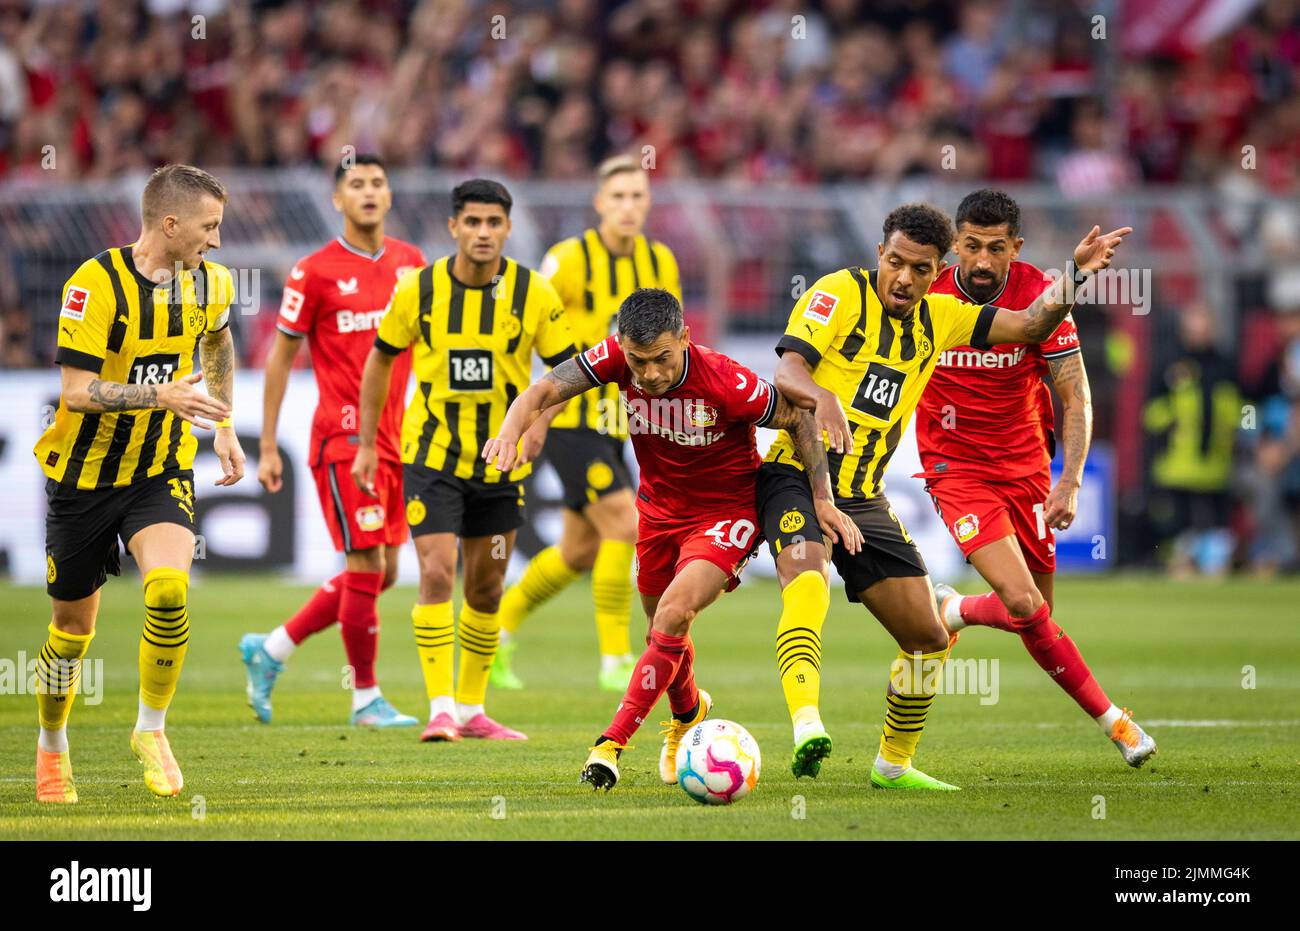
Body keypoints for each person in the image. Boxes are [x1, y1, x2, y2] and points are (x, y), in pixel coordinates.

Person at [757, 203, 1131, 789]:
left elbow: (1033, 324)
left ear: (938, 272)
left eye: (921, 269)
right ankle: (808, 725)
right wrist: (819, 397)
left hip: (863, 494)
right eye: (897, 263)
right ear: (880, 254)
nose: (905, 278)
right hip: (796, 475)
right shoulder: (835, 294)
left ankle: (893, 764)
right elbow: (786, 371)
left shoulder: (945, 317)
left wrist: (1075, 273)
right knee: (809, 583)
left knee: (929, 638)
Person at [484, 287, 861, 790]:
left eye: (662, 358)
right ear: (623, 346)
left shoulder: (728, 382)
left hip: (725, 515)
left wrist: (821, 498)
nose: (651, 374)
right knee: (662, 634)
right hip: (658, 515)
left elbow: (797, 417)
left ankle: (609, 745)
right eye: (639, 362)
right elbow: (542, 391)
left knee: (673, 613)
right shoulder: (618, 358)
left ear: (685, 337)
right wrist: (510, 432)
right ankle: (688, 714)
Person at [920, 189, 1156, 768]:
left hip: (1027, 469)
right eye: (970, 246)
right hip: (956, 470)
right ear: (956, 244)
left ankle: (955, 610)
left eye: (994, 248)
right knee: (1025, 602)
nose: (980, 260)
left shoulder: (1040, 298)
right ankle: (1118, 724)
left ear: (1014, 248)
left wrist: (1069, 479)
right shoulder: (927, 295)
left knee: (1034, 614)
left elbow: (1074, 395)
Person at [33, 163, 245, 801]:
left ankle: (151, 728)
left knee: (170, 590)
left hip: (161, 468)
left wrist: (225, 423)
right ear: (170, 224)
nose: (215, 241)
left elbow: (218, 342)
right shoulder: (94, 286)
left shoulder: (211, 283)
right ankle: (50, 746)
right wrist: (160, 395)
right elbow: (76, 391)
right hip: (84, 476)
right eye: (208, 227)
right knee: (71, 629)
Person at [352, 179, 577, 742]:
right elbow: (379, 361)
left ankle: (474, 710)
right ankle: (441, 708)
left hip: (501, 462)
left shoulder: (534, 293)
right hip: (432, 457)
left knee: (486, 588)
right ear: (453, 227)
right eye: (472, 222)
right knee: (435, 572)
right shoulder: (418, 290)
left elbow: (567, 373)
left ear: (507, 227)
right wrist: (364, 441)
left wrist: (538, 427)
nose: (483, 233)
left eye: (493, 223)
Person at [240, 154, 425, 727]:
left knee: (383, 573)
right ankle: (365, 698)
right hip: (343, 440)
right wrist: (267, 445)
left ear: (389, 196)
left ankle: (271, 650)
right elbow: (279, 358)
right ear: (337, 201)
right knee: (366, 560)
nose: (368, 192)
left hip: (395, 441)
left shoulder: (412, 264)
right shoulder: (313, 271)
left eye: (377, 183)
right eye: (356, 185)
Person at [493, 154, 682, 693]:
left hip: (623, 425)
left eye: (637, 197)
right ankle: (616, 658)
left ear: (648, 204)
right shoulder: (568, 260)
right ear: (600, 203)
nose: (628, 206)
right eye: (617, 196)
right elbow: (541, 335)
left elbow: (670, 344)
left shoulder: (660, 262)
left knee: (578, 551)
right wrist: (533, 419)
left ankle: (494, 634)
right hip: (571, 420)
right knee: (627, 525)